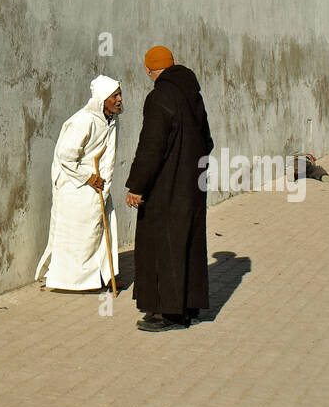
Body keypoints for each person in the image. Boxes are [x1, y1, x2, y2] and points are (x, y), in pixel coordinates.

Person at [125, 46, 213, 332]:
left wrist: (137, 185)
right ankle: (187, 308)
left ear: (149, 70)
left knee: (163, 245)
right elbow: (207, 141)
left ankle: (167, 314)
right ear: (173, 64)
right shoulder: (193, 93)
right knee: (187, 242)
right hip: (193, 185)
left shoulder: (159, 96)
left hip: (166, 187)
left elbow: (152, 145)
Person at [35, 76, 122, 292]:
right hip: (78, 189)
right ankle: (72, 281)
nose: (120, 99)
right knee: (78, 237)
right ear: (103, 99)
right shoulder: (84, 121)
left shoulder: (110, 120)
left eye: (120, 94)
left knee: (102, 232)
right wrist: (89, 178)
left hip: (99, 188)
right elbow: (65, 156)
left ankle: (102, 276)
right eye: (115, 96)